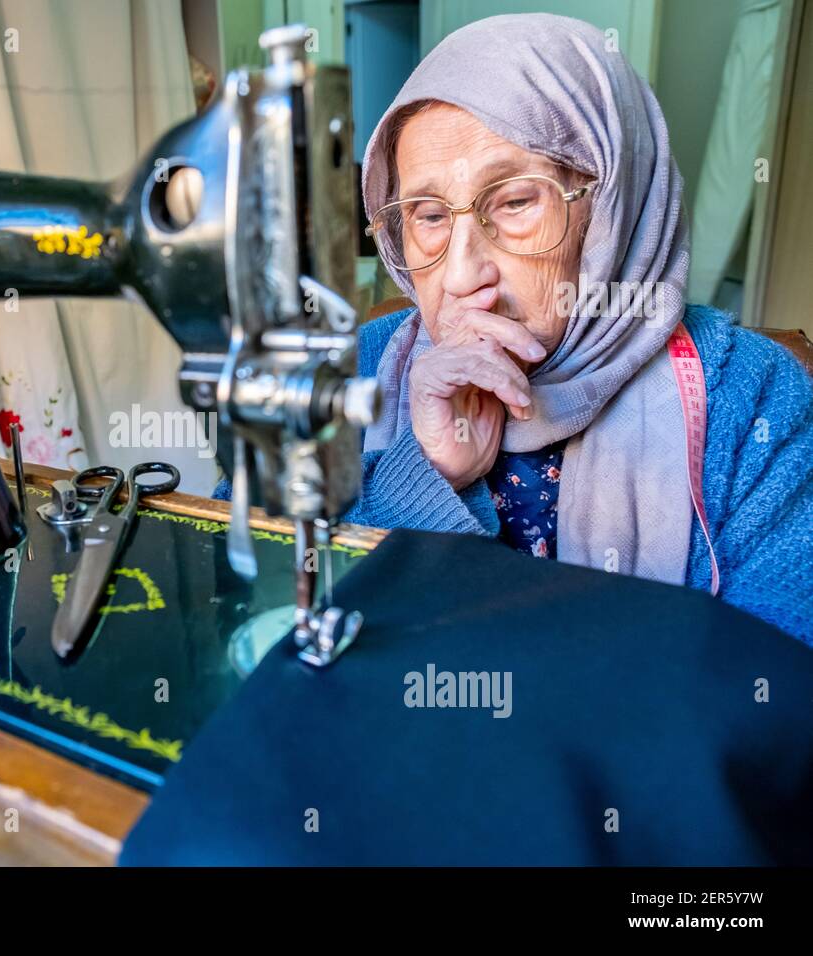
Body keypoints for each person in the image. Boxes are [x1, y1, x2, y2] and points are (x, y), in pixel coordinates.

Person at [218, 14, 812, 643]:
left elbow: (772, 689)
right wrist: (424, 474)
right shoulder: (336, 375)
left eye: (516, 201)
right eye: (427, 215)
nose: (461, 272)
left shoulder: (752, 400)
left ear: (612, 204)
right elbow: (242, 606)